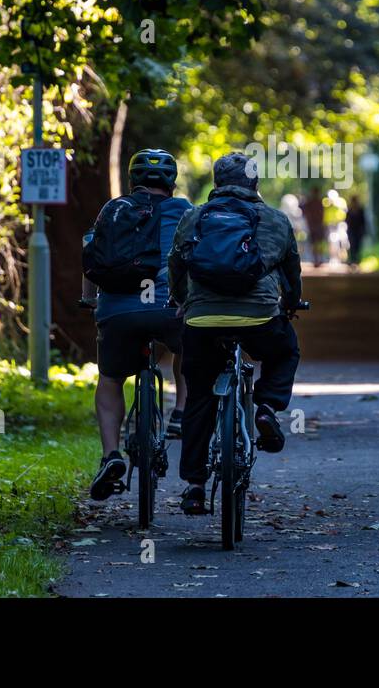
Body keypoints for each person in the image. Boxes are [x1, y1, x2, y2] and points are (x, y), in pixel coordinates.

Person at [168, 152, 303, 515]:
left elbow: (176, 265)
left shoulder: (193, 217)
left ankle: (195, 485)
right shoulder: (275, 219)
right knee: (285, 349)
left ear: (216, 181)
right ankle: (266, 407)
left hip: (202, 322)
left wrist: (182, 301)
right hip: (259, 318)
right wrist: (291, 304)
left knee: (198, 396)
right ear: (254, 183)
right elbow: (292, 272)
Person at [84, 149, 192, 501]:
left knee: (111, 378)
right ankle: (180, 412)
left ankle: (111, 455)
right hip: (168, 308)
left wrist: (92, 300)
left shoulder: (113, 210)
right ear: (171, 182)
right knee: (187, 347)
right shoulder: (185, 211)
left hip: (118, 311)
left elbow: (91, 253)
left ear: (133, 180)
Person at [301, 185, 326, 265]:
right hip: (313, 226)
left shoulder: (319, 202)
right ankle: (316, 259)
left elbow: (322, 214)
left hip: (317, 225)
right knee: (314, 243)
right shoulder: (310, 202)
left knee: (318, 243)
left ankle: (319, 258)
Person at [344, 194, 366, 266]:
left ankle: (357, 260)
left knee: (358, 246)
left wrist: (363, 230)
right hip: (351, 231)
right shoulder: (349, 210)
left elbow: (363, 221)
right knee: (352, 245)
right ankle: (352, 260)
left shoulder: (360, 210)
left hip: (358, 231)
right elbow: (346, 221)